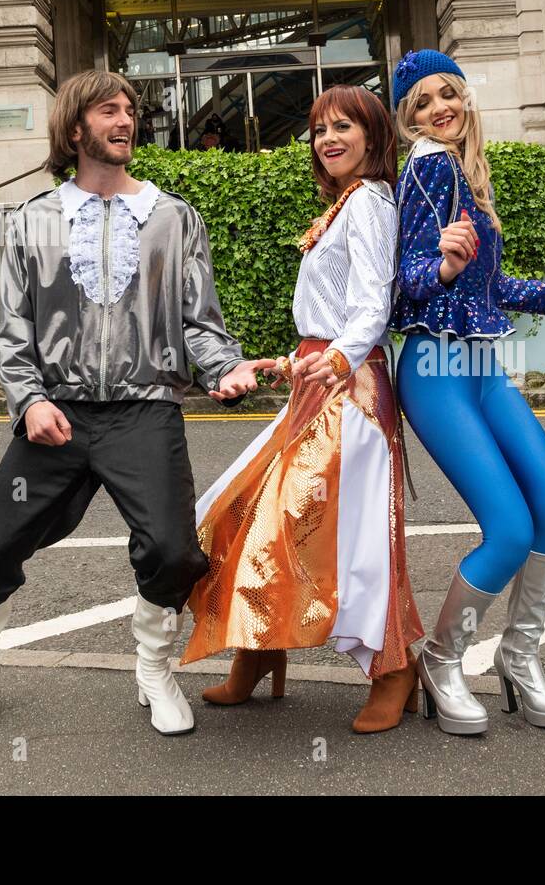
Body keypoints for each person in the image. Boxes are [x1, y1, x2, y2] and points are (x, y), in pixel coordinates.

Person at [0, 70, 263, 737]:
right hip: (55, 412)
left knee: (175, 550)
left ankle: (153, 668)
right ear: (75, 128)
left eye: (130, 111)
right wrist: (28, 400)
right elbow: (14, 329)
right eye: (108, 111)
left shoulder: (173, 217)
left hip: (144, 408)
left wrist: (224, 367)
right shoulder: (34, 218)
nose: (125, 121)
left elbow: (200, 319)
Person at [181, 85, 425, 734]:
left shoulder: (371, 201)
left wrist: (339, 359)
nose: (329, 138)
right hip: (316, 382)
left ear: (374, 136)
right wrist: (292, 362)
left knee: (354, 541)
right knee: (247, 515)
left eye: (344, 125)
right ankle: (259, 650)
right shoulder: (344, 205)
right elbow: (331, 315)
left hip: (351, 394)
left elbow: (373, 302)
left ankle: (395, 667)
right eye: (319, 129)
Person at [389, 49, 545, 735]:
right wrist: (441, 267)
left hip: (481, 361)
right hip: (435, 368)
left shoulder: (469, 177)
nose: (439, 108)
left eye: (448, 94)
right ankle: (442, 661)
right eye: (422, 103)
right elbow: (406, 282)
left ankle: (519, 656)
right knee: (509, 527)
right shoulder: (427, 167)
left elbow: (487, 289)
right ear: (408, 120)